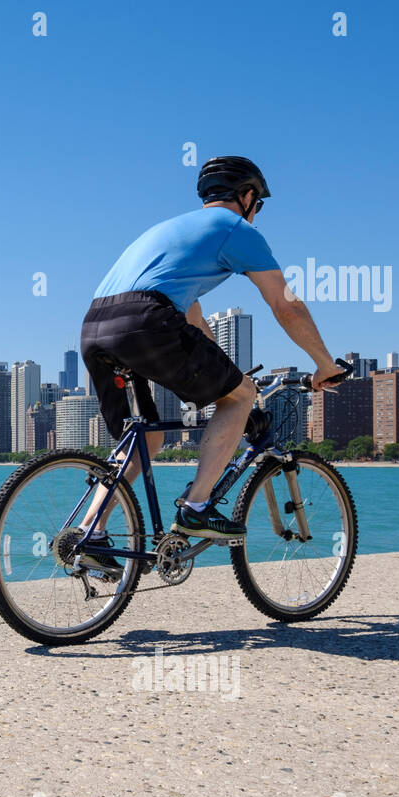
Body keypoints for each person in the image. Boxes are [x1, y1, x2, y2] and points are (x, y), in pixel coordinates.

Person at [76, 156, 344, 556]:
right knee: (240, 397)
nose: (257, 214)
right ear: (247, 195)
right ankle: (195, 508)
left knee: (146, 442)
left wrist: (229, 374)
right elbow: (285, 304)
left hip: (95, 326)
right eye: (259, 205)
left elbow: (193, 317)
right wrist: (325, 363)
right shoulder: (236, 228)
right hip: (147, 319)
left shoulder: (169, 230)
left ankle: (88, 533)